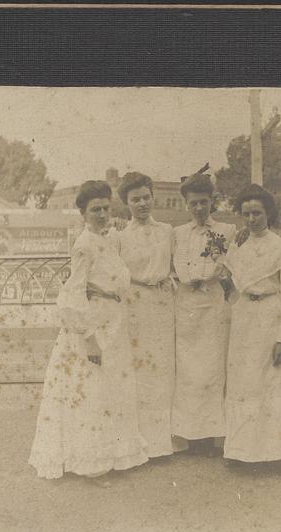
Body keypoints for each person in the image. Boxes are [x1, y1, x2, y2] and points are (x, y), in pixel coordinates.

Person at [28, 180, 149, 483]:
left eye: (106, 208)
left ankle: (114, 455)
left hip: (113, 322)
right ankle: (91, 463)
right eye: (95, 210)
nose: (102, 214)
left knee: (111, 391)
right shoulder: (83, 244)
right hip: (93, 326)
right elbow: (72, 294)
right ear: (82, 212)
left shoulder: (106, 239)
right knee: (92, 392)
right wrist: (90, 338)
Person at [220, 184, 281, 475]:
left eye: (257, 213)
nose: (251, 219)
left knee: (273, 385)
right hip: (245, 319)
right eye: (246, 214)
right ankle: (242, 449)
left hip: (272, 320)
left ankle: (277, 452)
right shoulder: (238, 246)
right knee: (244, 384)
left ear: (268, 213)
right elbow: (230, 275)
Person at [108, 172, 175, 458]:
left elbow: (178, 264)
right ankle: (140, 443)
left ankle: (164, 442)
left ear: (153, 197)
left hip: (161, 303)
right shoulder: (120, 235)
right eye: (135, 199)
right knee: (139, 372)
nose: (142, 203)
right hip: (134, 304)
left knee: (162, 370)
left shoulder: (167, 231)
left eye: (146, 197)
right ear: (126, 203)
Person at [171, 172, 236, 456]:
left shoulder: (225, 232)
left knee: (213, 370)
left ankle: (215, 435)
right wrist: (189, 278)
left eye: (204, 202)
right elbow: (175, 267)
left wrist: (208, 275)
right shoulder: (178, 234)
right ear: (186, 203)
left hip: (213, 305)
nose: (199, 208)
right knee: (188, 372)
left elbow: (224, 265)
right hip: (186, 306)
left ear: (213, 201)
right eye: (193, 203)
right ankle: (188, 435)